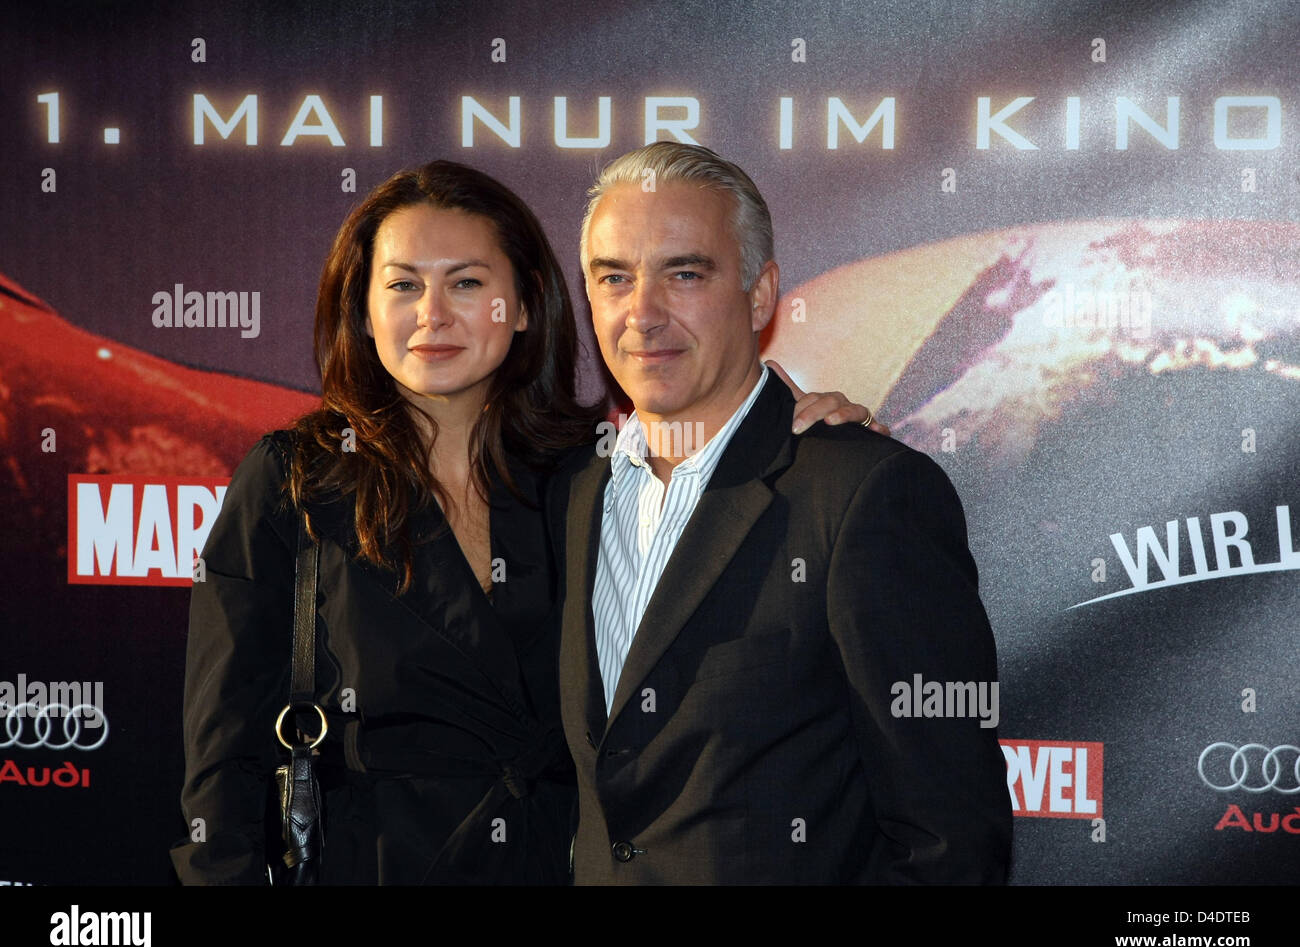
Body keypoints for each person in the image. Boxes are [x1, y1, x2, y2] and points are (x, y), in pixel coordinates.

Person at [169, 159, 873, 884]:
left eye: (467, 283)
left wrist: (799, 426)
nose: (433, 314)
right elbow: (222, 757)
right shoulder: (296, 479)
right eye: (403, 284)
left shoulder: (592, 474)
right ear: (363, 309)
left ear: (527, 304)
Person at [549, 142, 1013, 884]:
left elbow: (949, 838)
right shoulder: (572, 494)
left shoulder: (863, 493)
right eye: (614, 278)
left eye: (684, 273)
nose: (642, 311)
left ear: (760, 294)